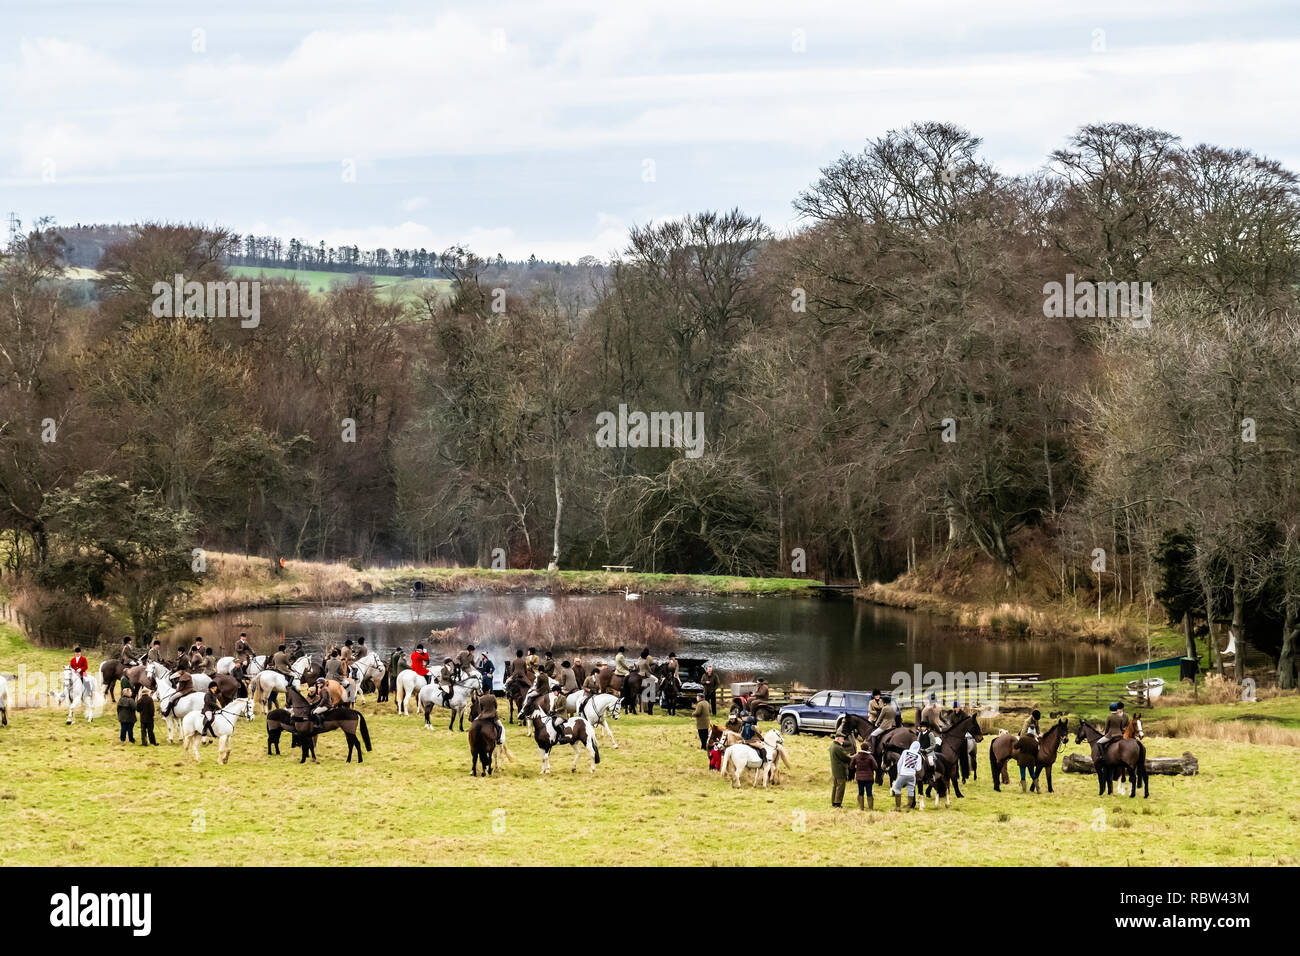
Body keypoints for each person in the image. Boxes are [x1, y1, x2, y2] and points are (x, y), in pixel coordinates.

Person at [893, 740, 922, 811]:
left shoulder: (905, 752)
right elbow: (918, 768)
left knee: (897, 788)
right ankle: (908, 808)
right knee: (911, 790)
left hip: (903, 773)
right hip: (912, 775)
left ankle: (898, 807)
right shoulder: (918, 756)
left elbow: (900, 763)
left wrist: (899, 772)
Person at [850, 742, 879, 810]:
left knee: (860, 792)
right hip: (869, 778)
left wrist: (856, 769)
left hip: (859, 778)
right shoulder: (870, 757)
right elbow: (875, 767)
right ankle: (870, 808)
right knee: (869, 793)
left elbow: (851, 766)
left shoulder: (856, 756)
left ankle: (861, 808)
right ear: (867, 749)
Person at [829, 732, 852, 808]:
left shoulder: (833, 746)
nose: (843, 740)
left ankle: (834, 802)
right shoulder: (838, 747)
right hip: (840, 770)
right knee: (840, 787)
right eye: (842, 739)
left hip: (835, 770)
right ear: (838, 739)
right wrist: (854, 757)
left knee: (835, 786)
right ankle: (838, 803)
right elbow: (846, 758)